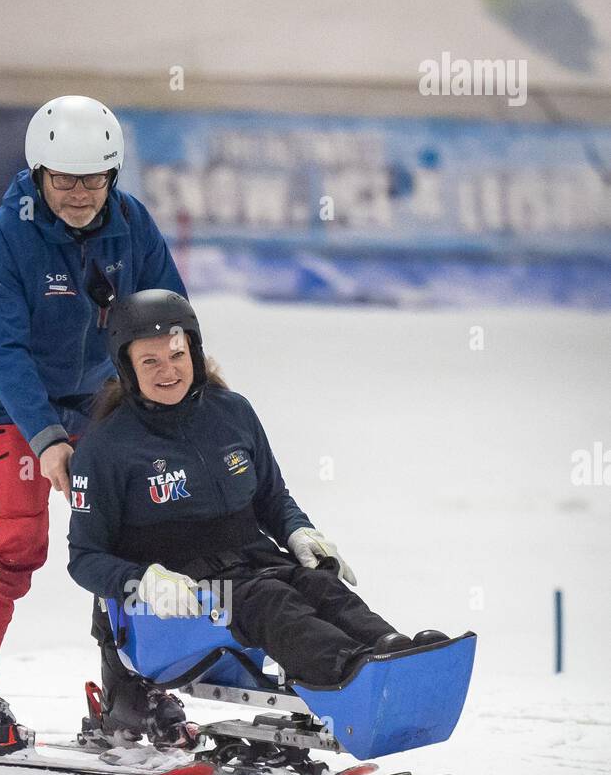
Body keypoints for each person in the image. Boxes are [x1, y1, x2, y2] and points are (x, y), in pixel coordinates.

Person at [67, 290, 447, 746]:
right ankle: (351, 675)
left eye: (176, 354)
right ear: (127, 368)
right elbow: (84, 558)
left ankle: (395, 657)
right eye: (149, 362)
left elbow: (272, 496)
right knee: (271, 599)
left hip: (253, 561)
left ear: (194, 350)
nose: (168, 370)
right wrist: (142, 579)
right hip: (182, 597)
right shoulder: (106, 446)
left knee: (319, 585)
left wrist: (298, 529)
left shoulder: (233, 412)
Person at [0, 96, 186, 750]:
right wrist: (44, 442)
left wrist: (178, 404)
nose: (79, 193)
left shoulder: (132, 225)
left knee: (127, 535)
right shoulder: (6, 237)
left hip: (96, 395)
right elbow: (4, 352)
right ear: (39, 173)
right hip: (8, 397)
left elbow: (166, 317)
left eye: (92, 179)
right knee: (19, 543)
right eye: (64, 179)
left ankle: (126, 689)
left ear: (113, 176)